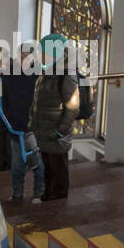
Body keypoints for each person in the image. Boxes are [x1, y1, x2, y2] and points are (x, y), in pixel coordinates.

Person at [29, 34, 80, 202]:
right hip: (44, 131)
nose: (40, 55)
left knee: (58, 170)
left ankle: (57, 204)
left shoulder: (66, 74)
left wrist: (59, 132)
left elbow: (72, 108)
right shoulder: (48, 70)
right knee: (48, 168)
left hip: (55, 134)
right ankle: (48, 198)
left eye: (43, 52)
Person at [0, 44, 46, 203]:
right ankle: (17, 193)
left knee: (38, 163)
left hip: (34, 128)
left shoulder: (39, 75)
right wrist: (8, 122)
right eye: (22, 55)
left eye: (27, 56)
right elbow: (3, 101)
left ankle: (39, 193)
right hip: (16, 127)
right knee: (17, 164)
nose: (24, 59)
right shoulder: (8, 74)